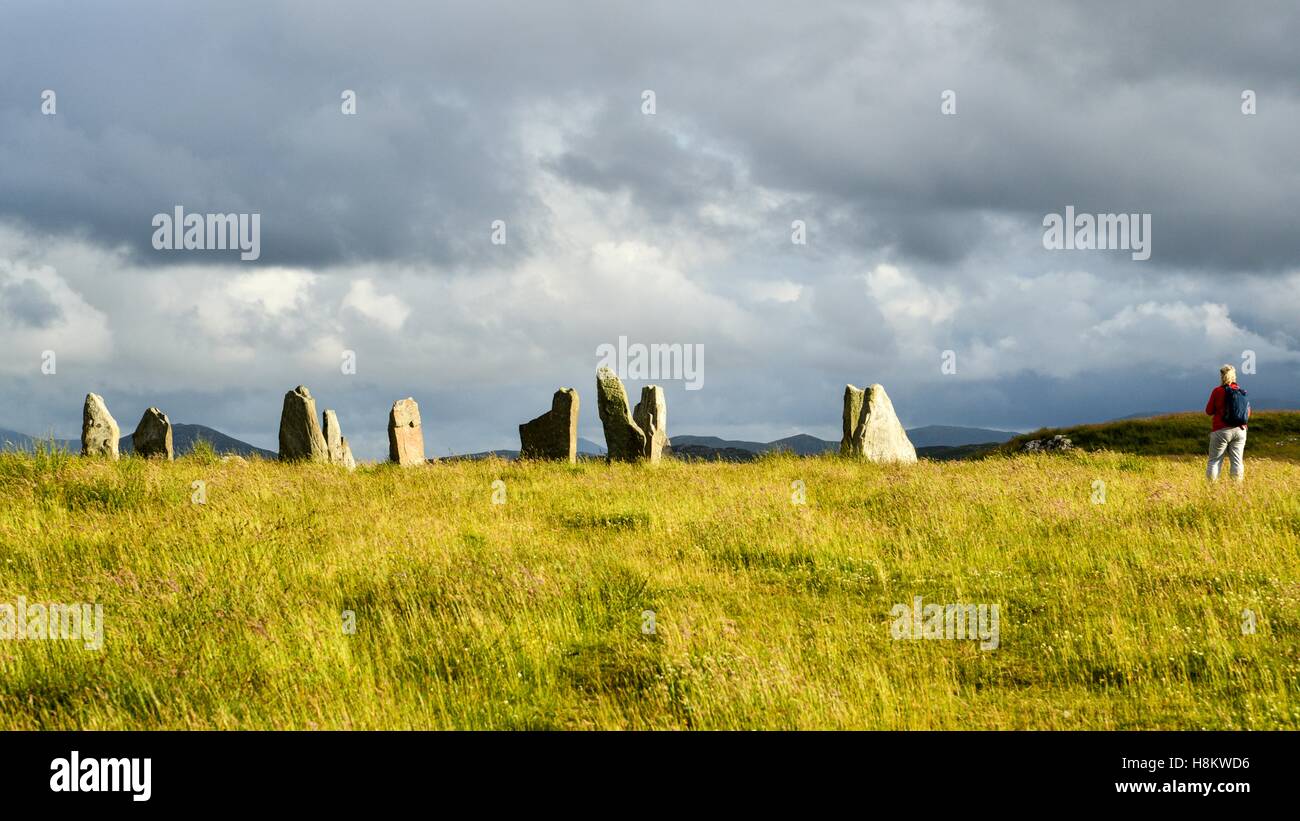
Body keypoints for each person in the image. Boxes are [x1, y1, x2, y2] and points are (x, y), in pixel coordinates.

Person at [1205, 364, 1249, 481]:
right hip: (1240, 430)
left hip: (1221, 430)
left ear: (1222, 376)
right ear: (1234, 376)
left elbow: (1209, 411)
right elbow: (1248, 413)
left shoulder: (1217, 391)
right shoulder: (1241, 392)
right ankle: (1237, 489)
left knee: (1214, 461)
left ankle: (1211, 489)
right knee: (1237, 461)